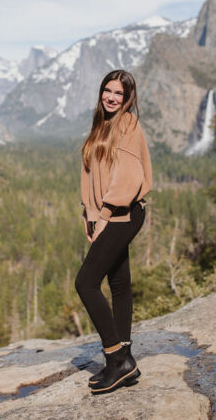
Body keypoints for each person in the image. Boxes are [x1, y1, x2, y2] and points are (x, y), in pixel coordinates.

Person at [75, 69, 152, 395]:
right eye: (107, 90)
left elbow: (128, 177)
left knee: (85, 282)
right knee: (119, 282)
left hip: (124, 213)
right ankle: (126, 360)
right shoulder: (103, 123)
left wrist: (105, 214)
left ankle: (115, 357)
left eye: (118, 94)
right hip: (108, 214)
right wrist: (90, 213)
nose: (111, 97)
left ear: (127, 98)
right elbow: (93, 174)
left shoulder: (128, 124)